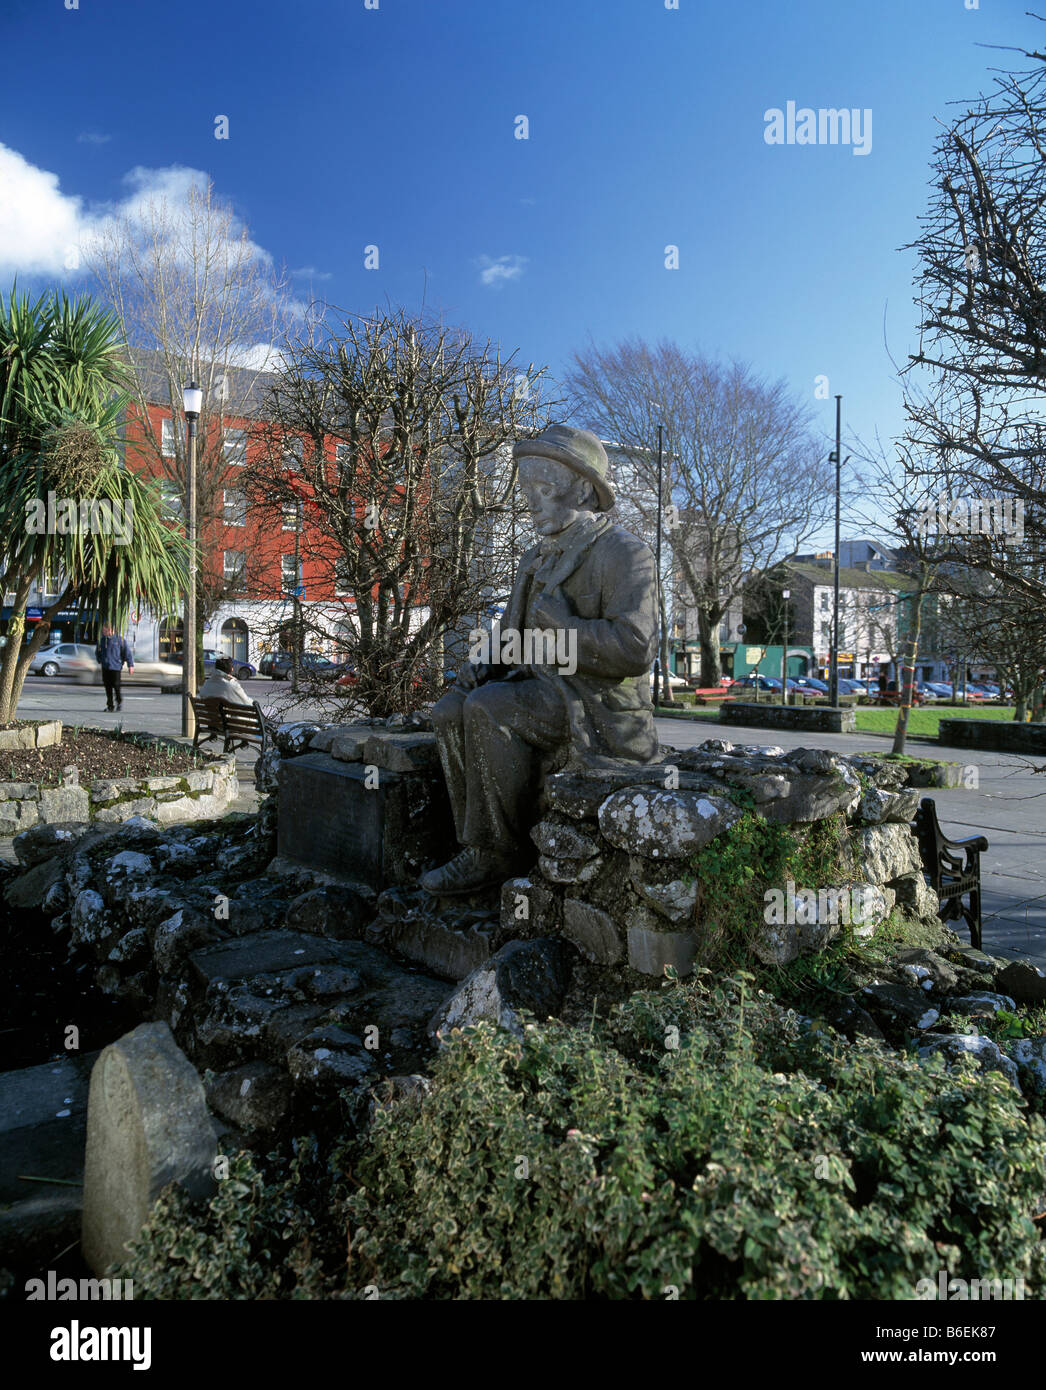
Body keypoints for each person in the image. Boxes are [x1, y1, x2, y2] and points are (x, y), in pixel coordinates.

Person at [419, 424, 659, 896]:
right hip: (541, 689)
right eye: (527, 490)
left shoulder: (625, 553)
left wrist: (566, 627)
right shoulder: (536, 558)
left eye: (545, 490)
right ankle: (475, 842)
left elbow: (637, 647)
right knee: (449, 709)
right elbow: (512, 635)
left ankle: (497, 854)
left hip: (594, 703)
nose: (532, 503)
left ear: (585, 492)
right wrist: (485, 661)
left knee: (492, 707)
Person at [95, 623, 134, 711]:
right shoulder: (101, 640)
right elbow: (97, 652)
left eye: (104, 630)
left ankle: (119, 701)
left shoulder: (119, 640)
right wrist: (100, 660)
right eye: (103, 630)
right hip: (106, 667)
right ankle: (110, 705)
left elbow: (127, 653)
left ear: (110, 630)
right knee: (107, 687)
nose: (103, 632)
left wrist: (130, 665)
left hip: (116, 667)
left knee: (116, 686)